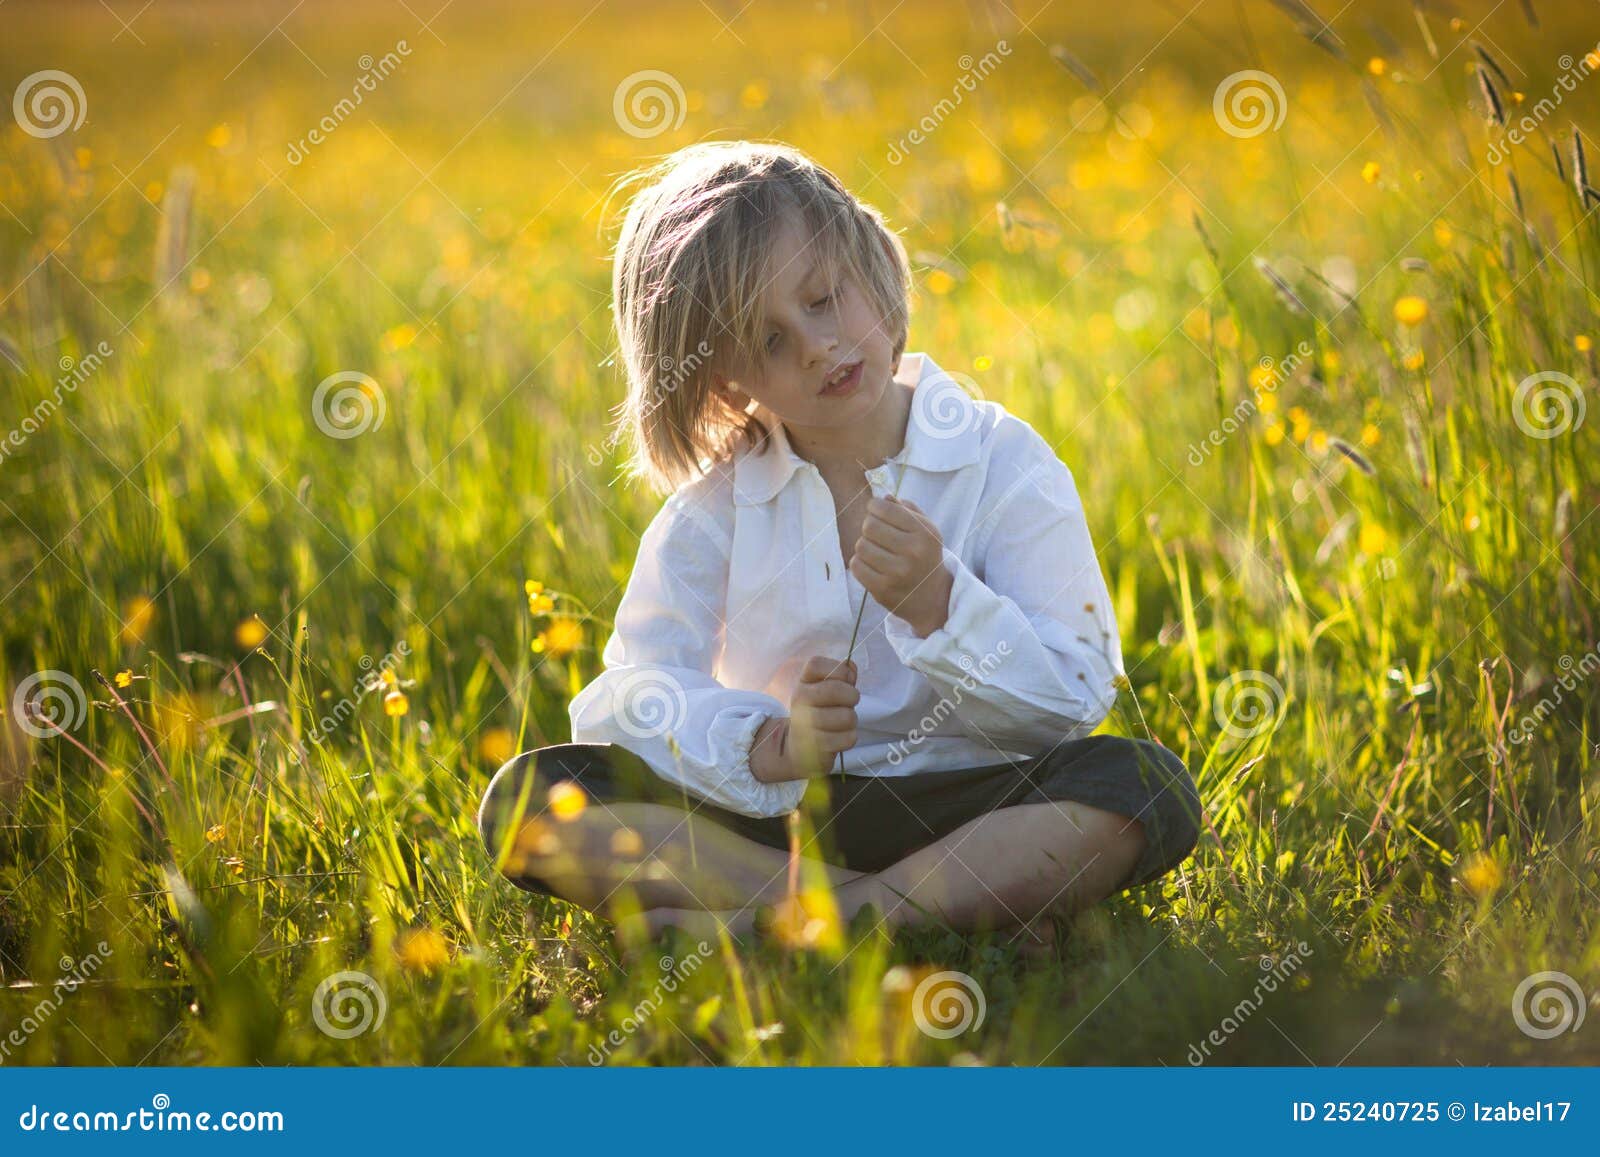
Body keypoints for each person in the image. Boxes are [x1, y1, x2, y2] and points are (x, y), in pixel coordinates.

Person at [478, 140, 1200, 947]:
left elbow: (1072, 697)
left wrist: (943, 609)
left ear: (874, 269)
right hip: (786, 821)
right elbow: (627, 699)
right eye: (771, 342)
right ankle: (940, 915)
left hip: (972, 805)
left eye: (823, 299)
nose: (817, 344)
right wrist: (769, 744)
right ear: (726, 383)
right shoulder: (714, 512)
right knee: (535, 798)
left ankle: (797, 926)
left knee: (1139, 782)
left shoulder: (1002, 462)